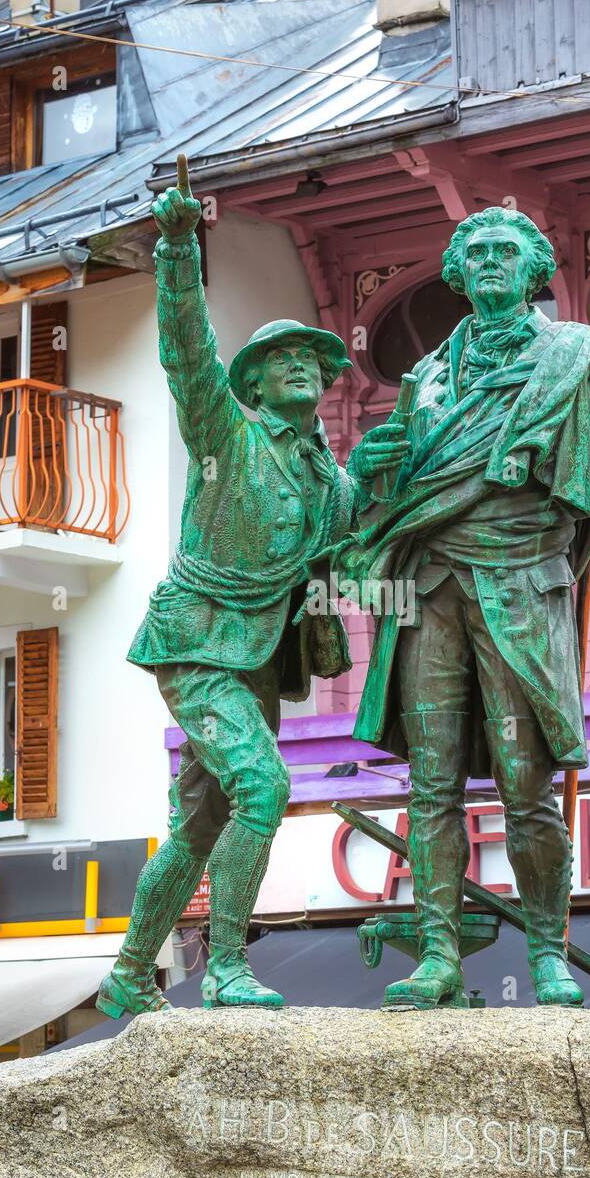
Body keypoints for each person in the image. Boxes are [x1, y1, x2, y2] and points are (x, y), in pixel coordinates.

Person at [339, 206, 590, 1010]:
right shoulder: (424, 378)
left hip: (524, 580)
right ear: (458, 273)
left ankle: (549, 955)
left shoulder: (575, 356)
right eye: (476, 252)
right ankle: (438, 957)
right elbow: (397, 496)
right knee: (431, 786)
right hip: (428, 590)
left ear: (533, 272)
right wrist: (375, 470)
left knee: (528, 786)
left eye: (507, 251)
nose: (490, 262)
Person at [97, 157, 405, 1016]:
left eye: (315, 357)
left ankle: (127, 974)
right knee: (264, 790)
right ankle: (227, 966)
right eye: (284, 358)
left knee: (200, 824)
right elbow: (187, 347)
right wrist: (175, 249)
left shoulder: (331, 477)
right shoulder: (225, 435)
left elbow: (351, 558)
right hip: (198, 643)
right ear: (256, 382)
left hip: (258, 661)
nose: (304, 366)